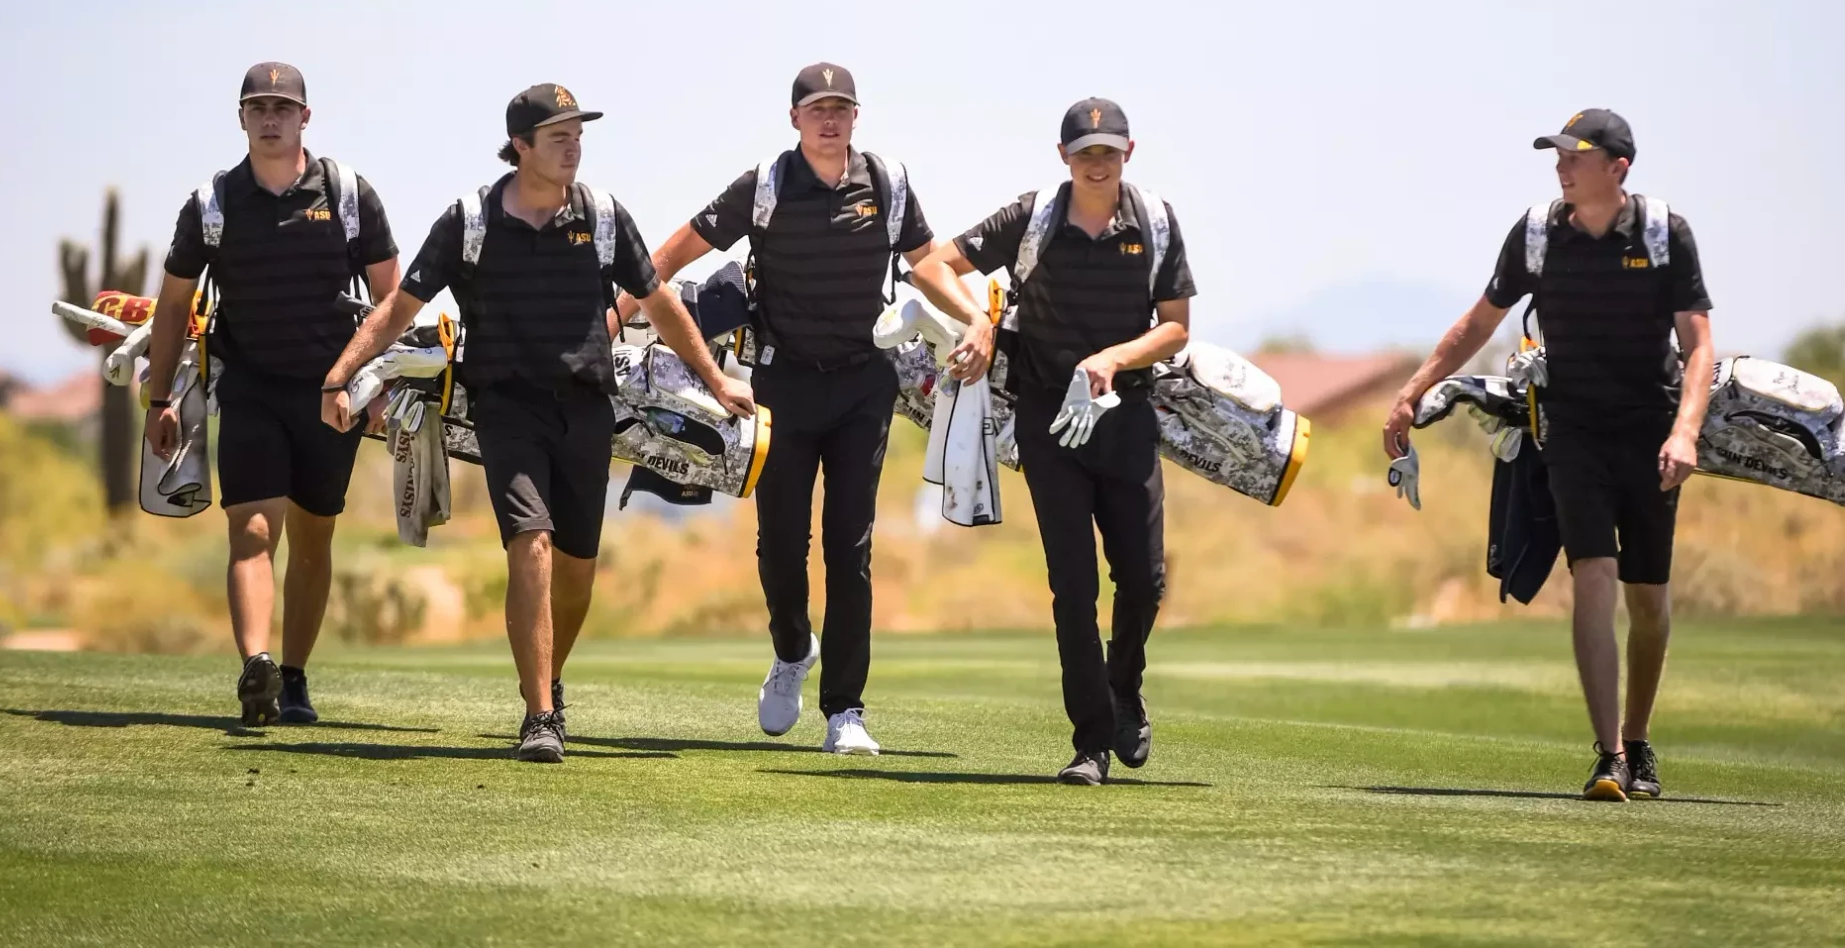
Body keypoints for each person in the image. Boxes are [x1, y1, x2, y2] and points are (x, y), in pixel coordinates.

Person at [321, 84, 755, 763]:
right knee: (533, 544)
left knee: (577, 573)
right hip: (506, 410)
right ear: (520, 146)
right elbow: (398, 309)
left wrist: (716, 381)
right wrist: (341, 373)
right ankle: (540, 714)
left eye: (578, 134)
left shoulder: (605, 217)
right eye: (558, 135)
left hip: (586, 410)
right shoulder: (469, 222)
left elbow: (659, 302)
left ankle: (547, 676)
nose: (573, 145)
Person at [615, 63, 966, 754]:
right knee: (780, 546)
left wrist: (977, 323)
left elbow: (928, 264)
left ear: (856, 117)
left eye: (841, 108)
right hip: (781, 387)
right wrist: (616, 312)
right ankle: (790, 650)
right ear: (795, 118)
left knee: (850, 547)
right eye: (817, 109)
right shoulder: (766, 185)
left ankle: (846, 712)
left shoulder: (887, 184)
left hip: (864, 384)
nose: (829, 120)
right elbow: (671, 252)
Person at [1382, 109, 1713, 801]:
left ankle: (1640, 739)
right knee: (1592, 572)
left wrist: (1686, 430)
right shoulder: (1536, 235)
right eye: (1557, 155)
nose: (1562, 166)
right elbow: (1479, 319)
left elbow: (1699, 345)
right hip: (1572, 430)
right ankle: (1610, 756)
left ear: (1617, 168)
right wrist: (1414, 390)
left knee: (1647, 598)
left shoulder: (1662, 235)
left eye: (1576, 156)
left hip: (1651, 429)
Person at [910, 98, 1194, 785]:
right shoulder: (1031, 216)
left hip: (1124, 415)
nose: (1096, 163)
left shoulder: (1154, 221)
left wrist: (1113, 360)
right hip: (1048, 422)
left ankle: (1124, 686)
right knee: (1073, 586)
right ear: (1063, 157)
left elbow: (1177, 326)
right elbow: (931, 266)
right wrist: (979, 319)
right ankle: (1091, 742)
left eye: (1108, 151)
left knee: (1145, 582)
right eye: (1084, 152)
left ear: (1129, 153)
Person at [145, 62, 402, 727]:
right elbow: (174, 307)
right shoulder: (212, 204)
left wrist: (379, 387)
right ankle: (254, 664)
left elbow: (389, 303)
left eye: (282, 108)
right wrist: (162, 398)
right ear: (240, 118)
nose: (269, 117)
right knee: (252, 525)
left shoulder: (348, 195)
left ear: (304, 118)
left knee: (314, 539)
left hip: (330, 394)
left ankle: (293, 679)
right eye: (257, 106)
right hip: (251, 387)